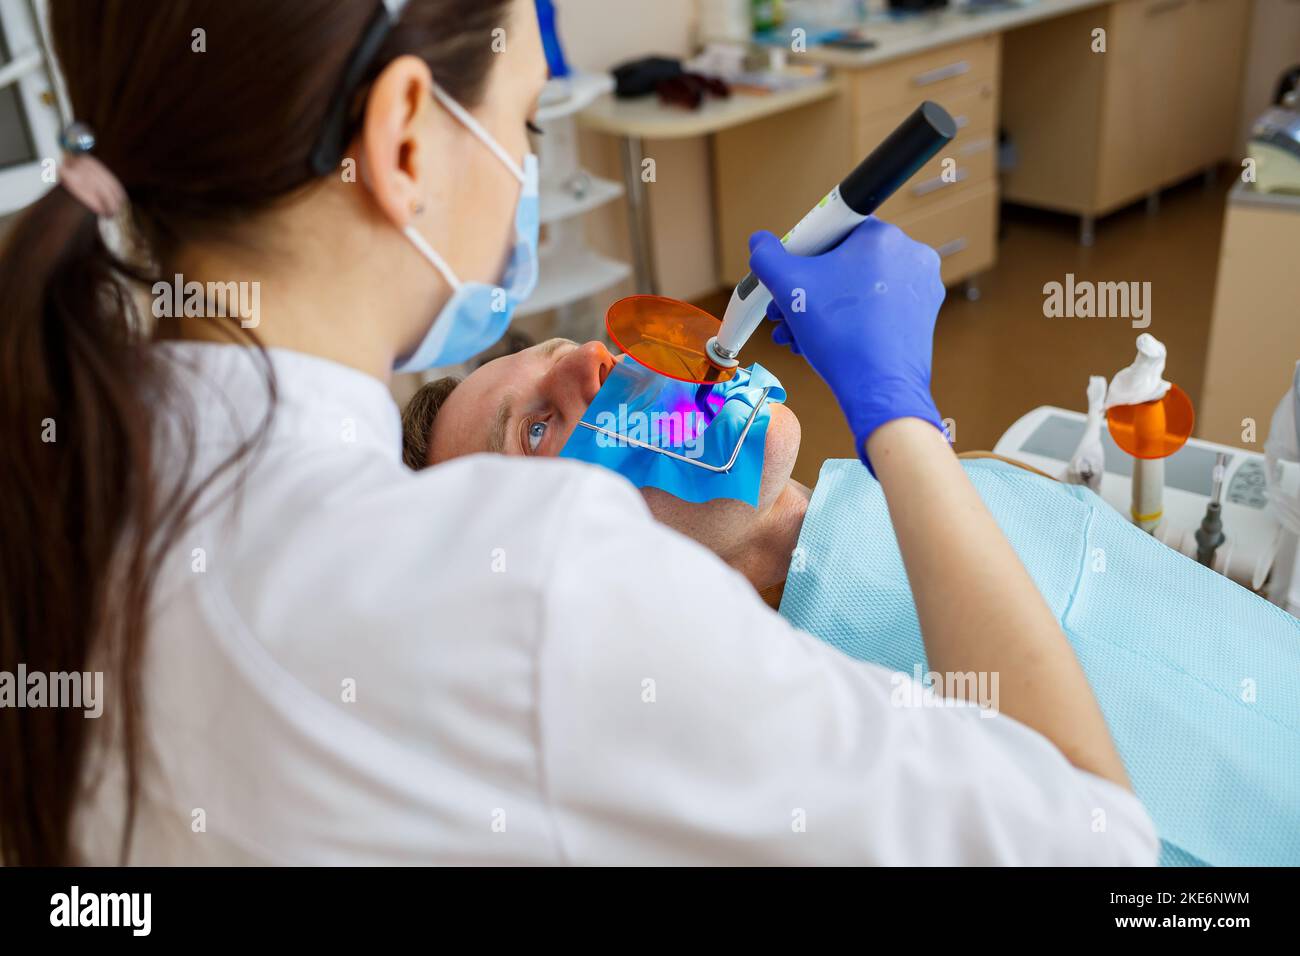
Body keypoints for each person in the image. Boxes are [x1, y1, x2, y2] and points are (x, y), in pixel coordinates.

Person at [0, 0, 1156, 865]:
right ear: (407, 135)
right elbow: (1097, 845)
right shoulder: (533, 586)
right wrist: (897, 414)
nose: (598, 367)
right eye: (522, 121)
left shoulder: (85, 496)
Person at [404, 341, 1300, 867]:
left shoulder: (962, 481)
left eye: (574, 349)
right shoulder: (821, 771)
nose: (602, 364)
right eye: (536, 429)